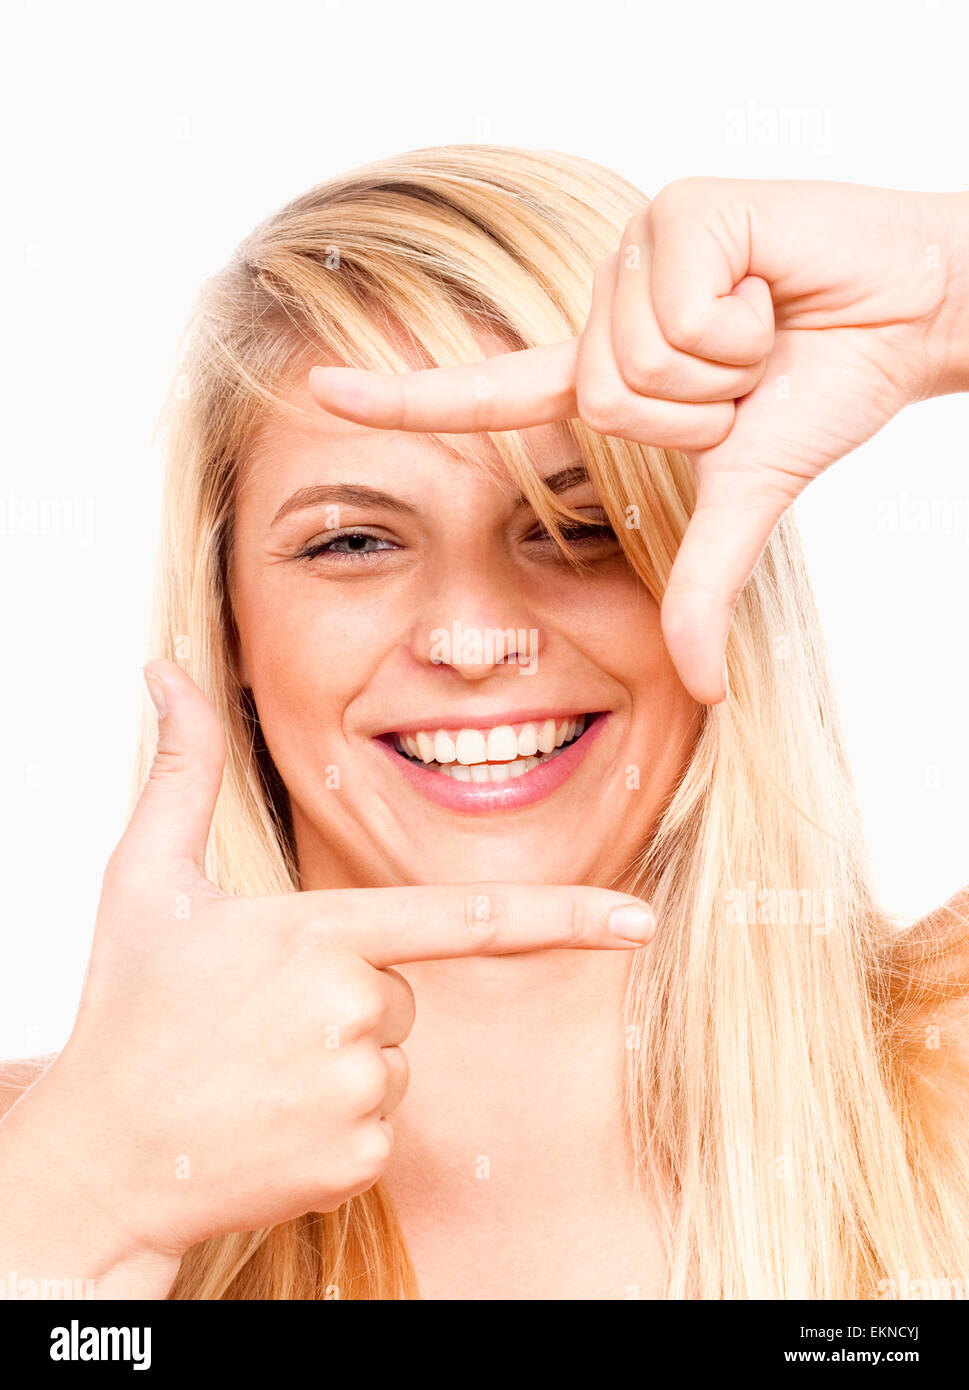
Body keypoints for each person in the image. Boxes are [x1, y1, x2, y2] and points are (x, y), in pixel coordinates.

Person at [1, 146, 968, 1300]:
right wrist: (83, 1199)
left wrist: (946, 288)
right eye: (354, 541)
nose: (473, 636)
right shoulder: (48, 1164)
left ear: (718, 564)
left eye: (583, 524)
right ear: (231, 626)